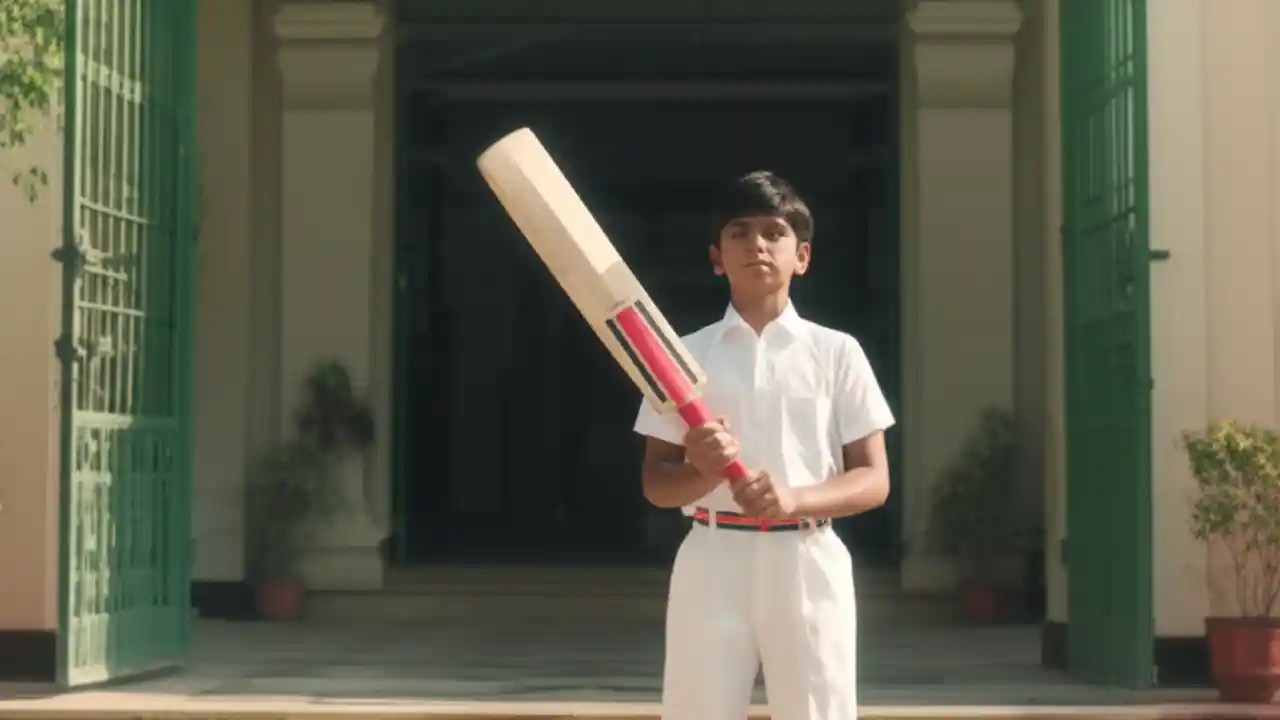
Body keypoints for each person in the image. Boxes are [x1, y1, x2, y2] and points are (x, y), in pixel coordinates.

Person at [632, 170, 895, 720]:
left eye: (774, 232)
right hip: (712, 556)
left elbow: (873, 479)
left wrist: (795, 499)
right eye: (739, 232)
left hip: (806, 557)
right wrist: (701, 472)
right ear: (716, 257)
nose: (757, 244)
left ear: (802, 256)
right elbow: (657, 483)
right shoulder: (682, 356)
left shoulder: (837, 353)